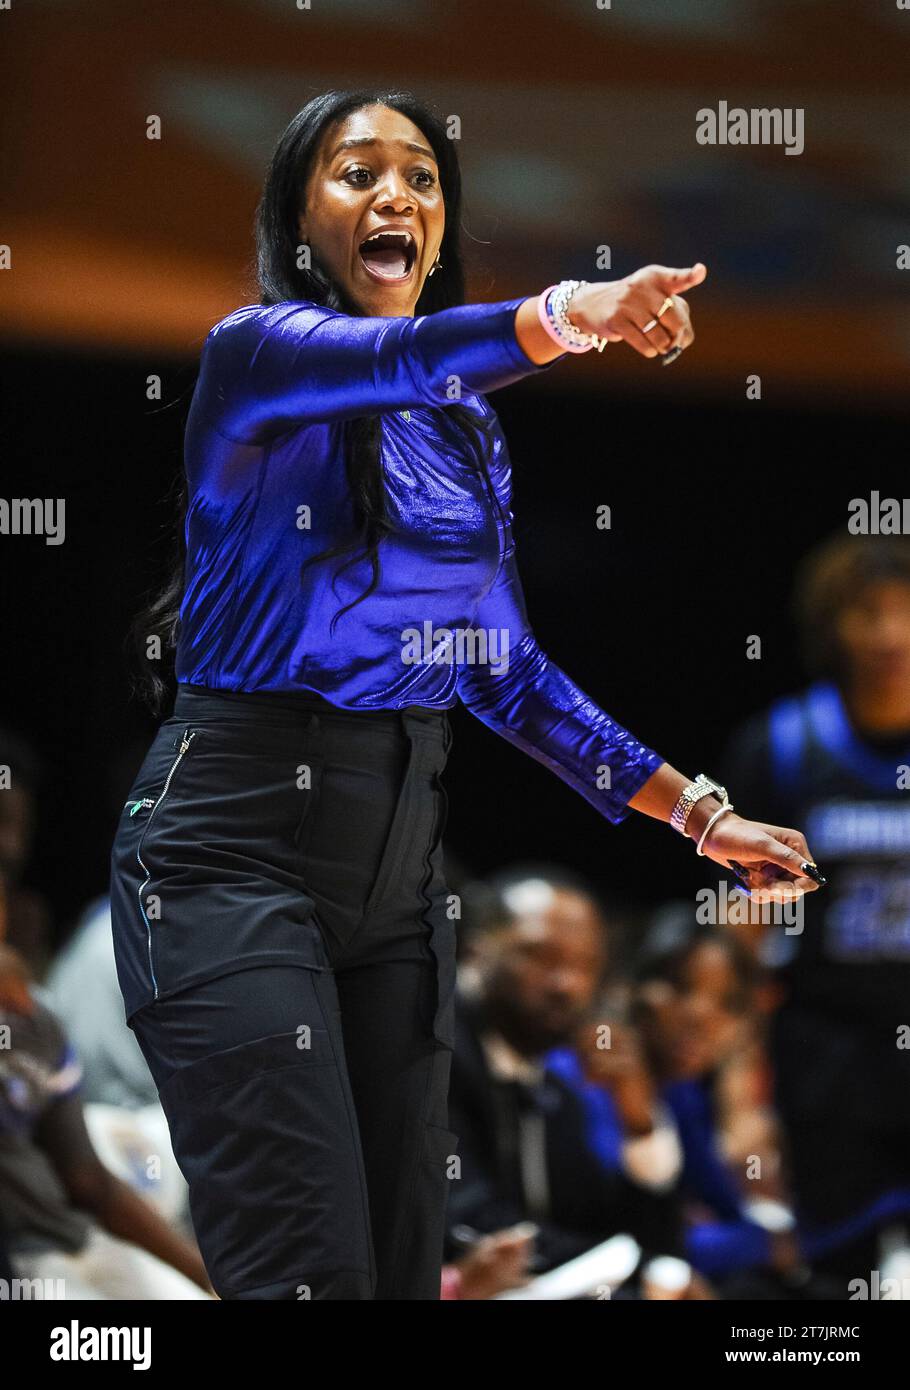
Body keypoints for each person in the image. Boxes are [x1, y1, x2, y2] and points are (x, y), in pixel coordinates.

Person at [109, 87, 819, 1302]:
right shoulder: (257, 354)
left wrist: (699, 816)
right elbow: (405, 350)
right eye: (356, 173)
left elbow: (501, 672)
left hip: (398, 875)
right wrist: (573, 312)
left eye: (422, 178)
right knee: (305, 1270)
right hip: (229, 852)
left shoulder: (467, 438)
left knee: (399, 1274)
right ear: (296, 220)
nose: (396, 195)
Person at [719, 533, 910, 1287]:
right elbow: (739, 942)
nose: (890, 632)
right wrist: (740, 1097)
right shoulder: (784, 745)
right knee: (836, 1276)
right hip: (827, 1058)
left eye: (905, 611)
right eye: (869, 612)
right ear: (834, 625)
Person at [0, 944, 212, 1299]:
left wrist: (206, 1278)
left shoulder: (31, 1018)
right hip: (19, 1258)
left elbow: (86, 1178)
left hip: (69, 1238)